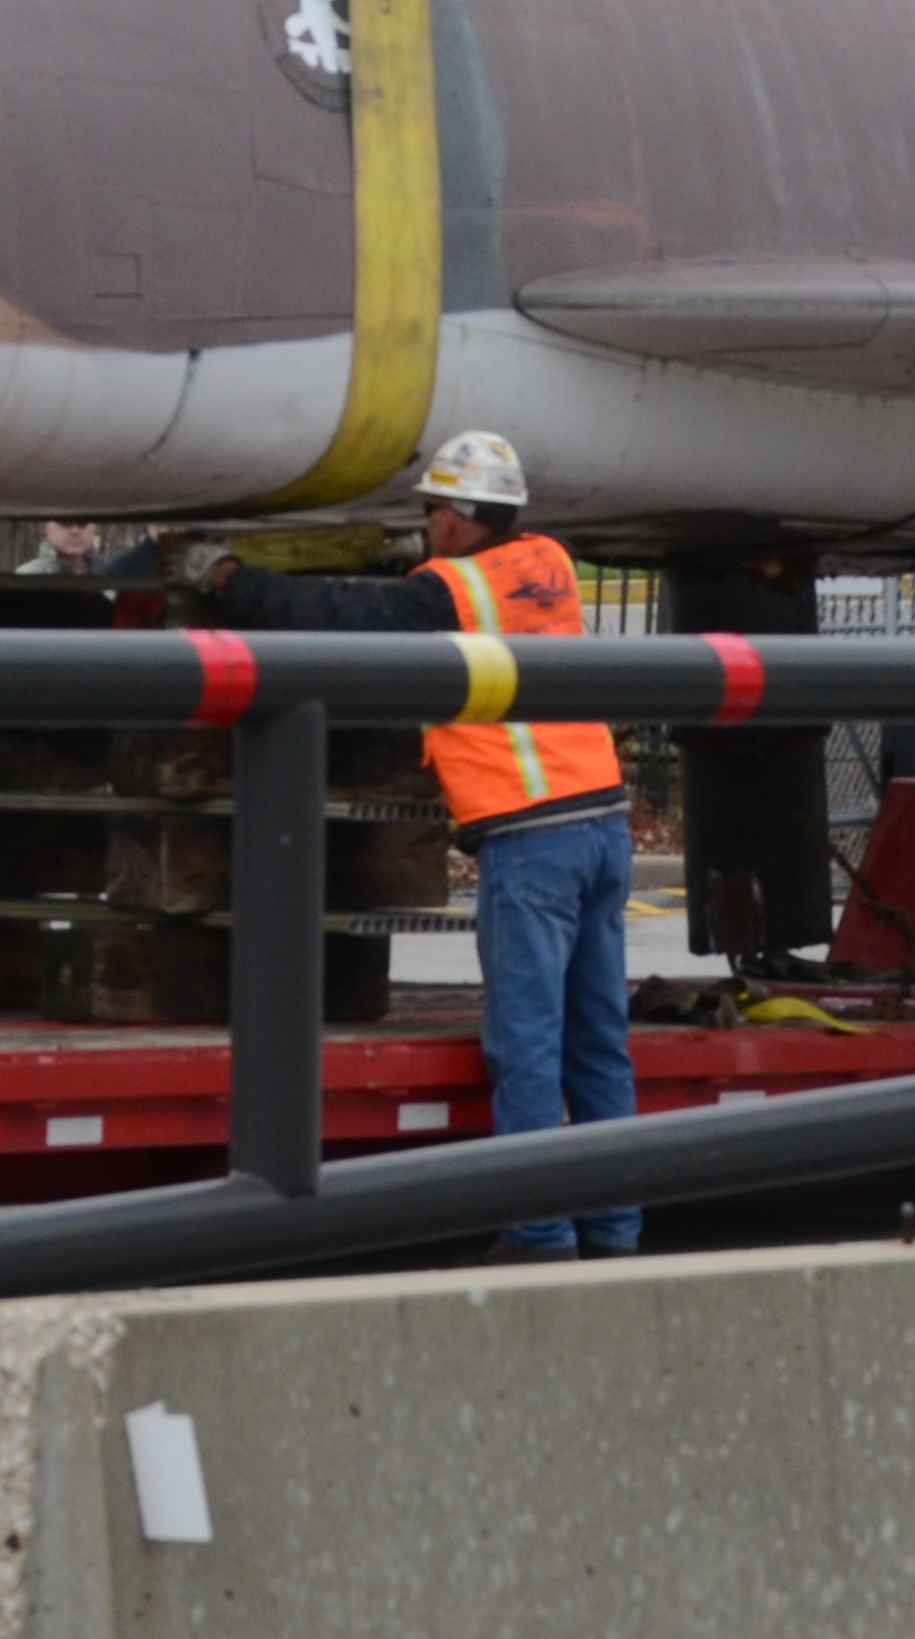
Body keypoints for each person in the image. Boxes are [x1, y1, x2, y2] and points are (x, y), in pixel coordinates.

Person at [175, 431, 637, 1263]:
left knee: (525, 1046)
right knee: (597, 1038)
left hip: (529, 835)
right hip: (602, 820)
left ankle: (539, 1234)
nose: (425, 526)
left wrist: (227, 579)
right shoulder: (553, 561)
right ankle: (616, 1230)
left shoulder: (448, 589)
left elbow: (339, 619)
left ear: (459, 519)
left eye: (429, 512)